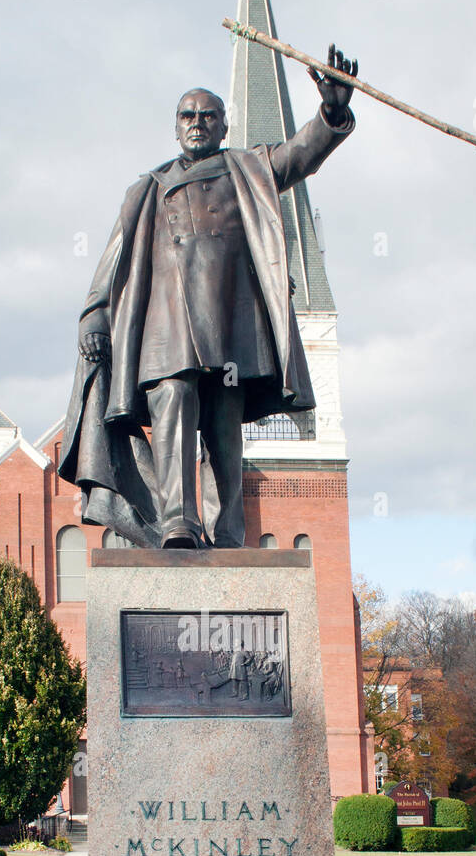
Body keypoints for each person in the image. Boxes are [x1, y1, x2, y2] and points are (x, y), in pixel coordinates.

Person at [58, 46, 358, 549]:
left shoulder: (248, 170)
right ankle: (179, 522)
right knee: (173, 402)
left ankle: (227, 534)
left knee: (223, 427)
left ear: (224, 126)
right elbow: (113, 262)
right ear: (175, 127)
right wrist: (94, 319)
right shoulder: (146, 191)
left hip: (231, 328)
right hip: (164, 331)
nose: (197, 123)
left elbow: (300, 155)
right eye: (187, 115)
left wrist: (330, 114)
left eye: (209, 116)